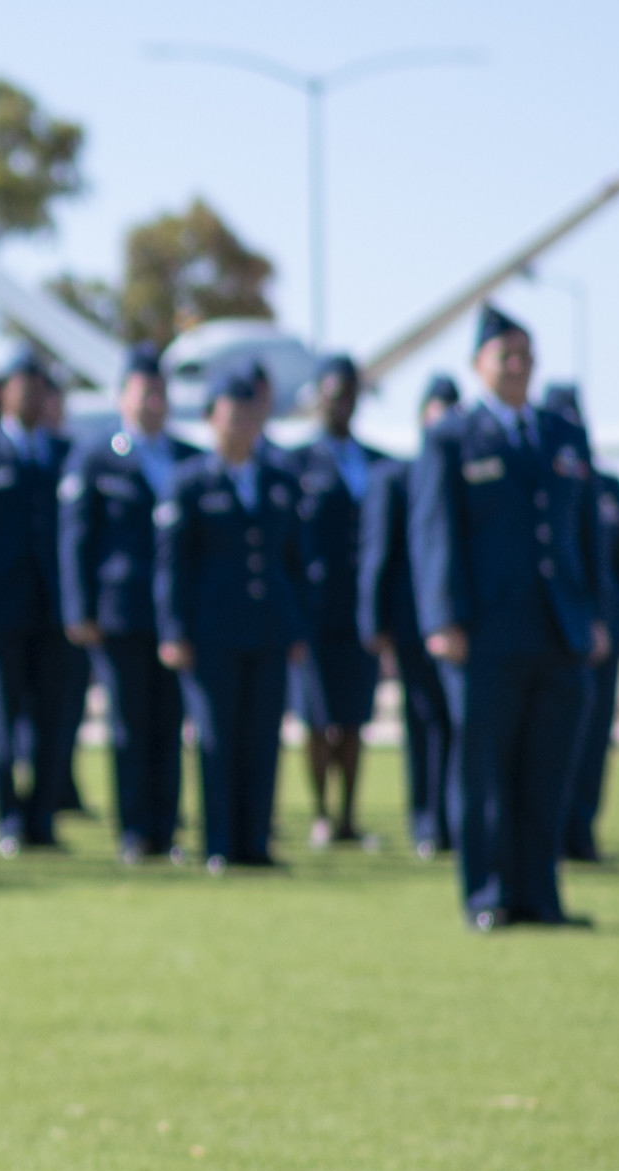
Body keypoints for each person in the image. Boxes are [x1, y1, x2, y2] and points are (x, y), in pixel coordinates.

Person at [407, 304, 609, 931]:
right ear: (478, 366)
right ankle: (487, 894)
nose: (518, 366)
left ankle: (540, 896)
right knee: (485, 770)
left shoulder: (561, 435)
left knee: (547, 770)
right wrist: (442, 617)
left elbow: (585, 537)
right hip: (485, 634)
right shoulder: (452, 437)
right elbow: (433, 533)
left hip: (557, 630)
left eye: (526, 354)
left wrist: (597, 615)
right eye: (505, 355)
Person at [156, 357, 309, 872]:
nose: (242, 425)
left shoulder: (279, 480)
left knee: (263, 738)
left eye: (250, 415)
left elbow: (294, 563)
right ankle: (219, 843)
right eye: (231, 415)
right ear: (210, 420)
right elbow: (172, 565)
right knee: (217, 740)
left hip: (267, 631)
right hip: (211, 633)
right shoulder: (189, 483)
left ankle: (255, 842)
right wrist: (173, 630)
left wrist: (296, 627)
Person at [62, 343, 193, 863]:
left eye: (160, 392)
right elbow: (75, 538)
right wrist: (79, 609)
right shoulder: (96, 456)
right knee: (129, 725)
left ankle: (167, 827)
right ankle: (135, 830)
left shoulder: (186, 457)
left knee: (169, 723)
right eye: (144, 392)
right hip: (121, 613)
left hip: (174, 617)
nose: (153, 402)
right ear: (122, 397)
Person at [0, 352, 79, 854]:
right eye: (21, 386)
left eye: (39, 387)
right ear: (3, 392)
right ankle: (8, 817)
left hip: (54, 612)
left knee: (55, 719)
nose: (31, 396)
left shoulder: (64, 452)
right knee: (1, 721)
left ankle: (42, 819)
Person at [544, 380, 619, 862]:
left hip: (605, 632)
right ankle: (550, 835)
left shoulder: (608, 487)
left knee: (597, 738)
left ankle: (582, 832)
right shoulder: (541, 490)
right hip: (558, 633)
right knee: (554, 741)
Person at [362, 373, 462, 857]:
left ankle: (458, 817)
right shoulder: (397, 478)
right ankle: (426, 821)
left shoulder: (472, 472)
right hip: (412, 623)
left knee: (462, 723)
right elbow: (378, 555)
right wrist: (375, 624)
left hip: (462, 622)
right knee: (423, 721)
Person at [289, 354, 387, 848]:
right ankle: (321, 812)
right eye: (332, 395)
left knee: (353, 717)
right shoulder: (298, 463)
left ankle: (349, 815)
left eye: (348, 395)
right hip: (314, 611)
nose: (340, 405)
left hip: (361, 611)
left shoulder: (378, 463)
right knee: (316, 717)